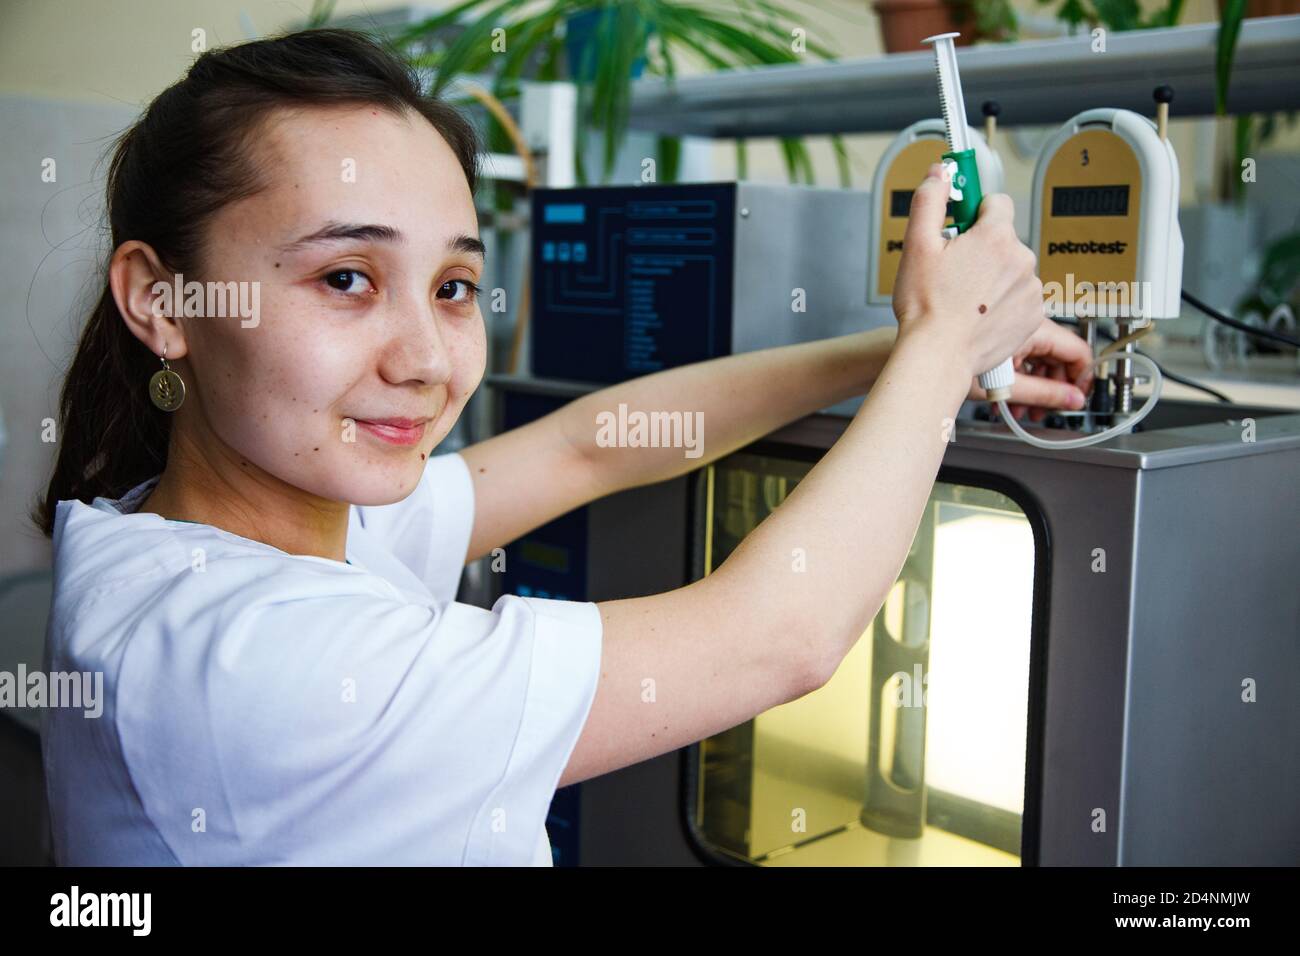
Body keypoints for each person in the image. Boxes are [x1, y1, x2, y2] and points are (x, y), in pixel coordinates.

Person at [36, 28, 1092, 866]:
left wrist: (906, 344)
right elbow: (782, 637)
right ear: (162, 299)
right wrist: (947, 343)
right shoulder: (258, 663)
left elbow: (594, 445)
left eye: (452, 287)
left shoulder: (223, 531)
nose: (424, 359)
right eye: (346, 278)